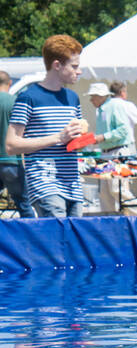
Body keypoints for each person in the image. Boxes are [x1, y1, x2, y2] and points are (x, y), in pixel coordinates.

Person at [5, 35, 90, 219]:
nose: (80, 71)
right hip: (45, 183)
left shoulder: (72, 98)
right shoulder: (29, 97)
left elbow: (72, 142)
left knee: (73, 241)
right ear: (57, 65)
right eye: (74, 66)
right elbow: (11, 145)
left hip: (72, 184)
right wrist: (58, 137)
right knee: (58, 240)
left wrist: (82, 140)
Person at [0, 70, 34, 217]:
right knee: (24, 205)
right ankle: (33, 235)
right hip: (11, 161)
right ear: (10, 83)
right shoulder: (15, 102)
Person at [87, 83, 132, 157]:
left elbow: (123, 130)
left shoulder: (115, 105)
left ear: (101, 96)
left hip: (117, 153)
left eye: (93, 97)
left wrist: (103, 137)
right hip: (106, 153)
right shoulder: (101, 110)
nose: (91, 100)